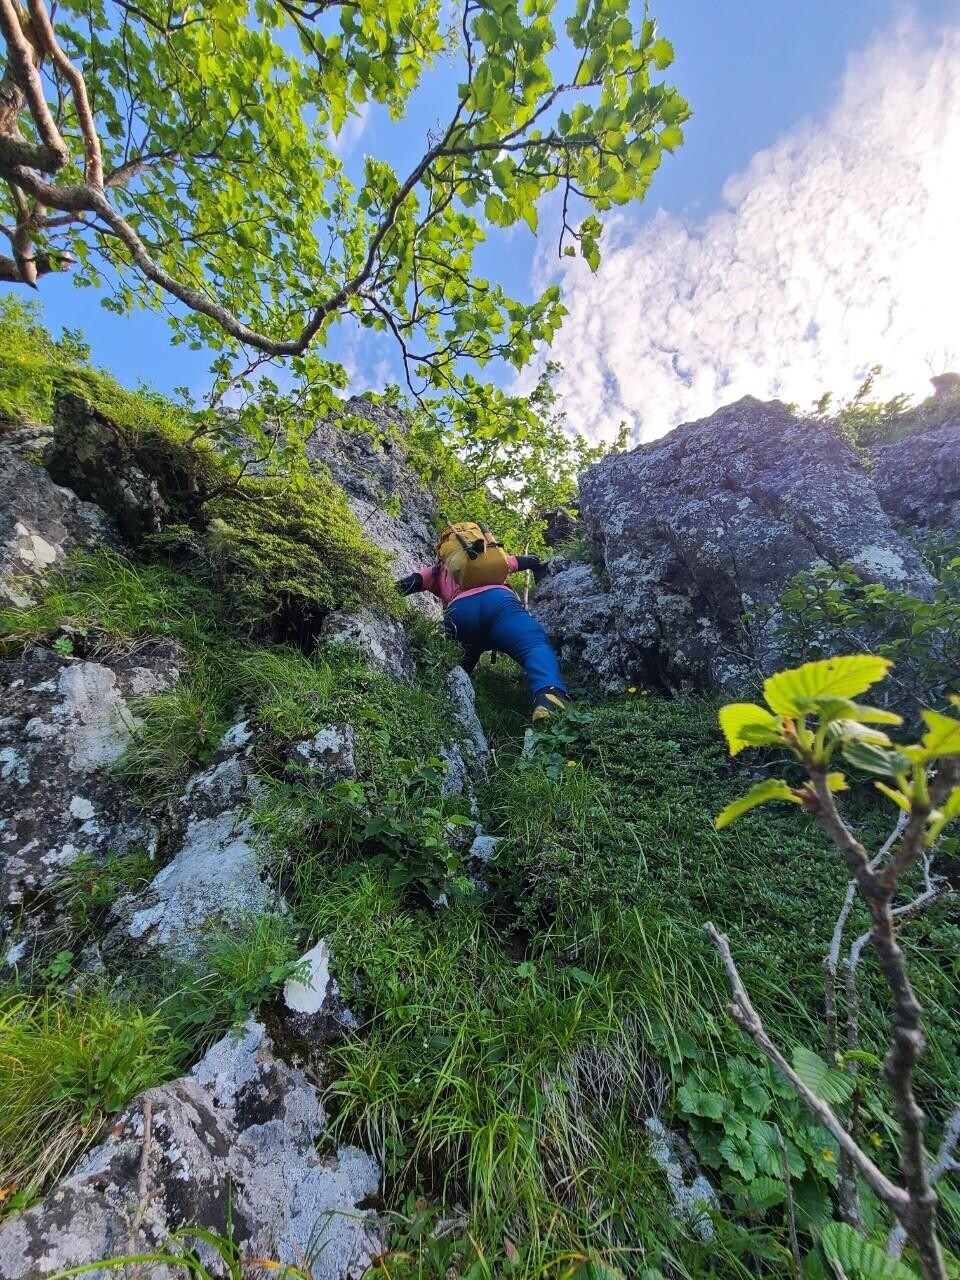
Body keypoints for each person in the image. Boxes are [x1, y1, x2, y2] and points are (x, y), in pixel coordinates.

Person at [396, 526, 570, 721]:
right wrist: (538, 567)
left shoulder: (439, 570)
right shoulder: (488, 558)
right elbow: (525, 561)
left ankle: (449, 705)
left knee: (459, 666)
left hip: (461, 614)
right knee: (533, 645)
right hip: (500, 604)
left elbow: (407, 584)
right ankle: (549, 695)